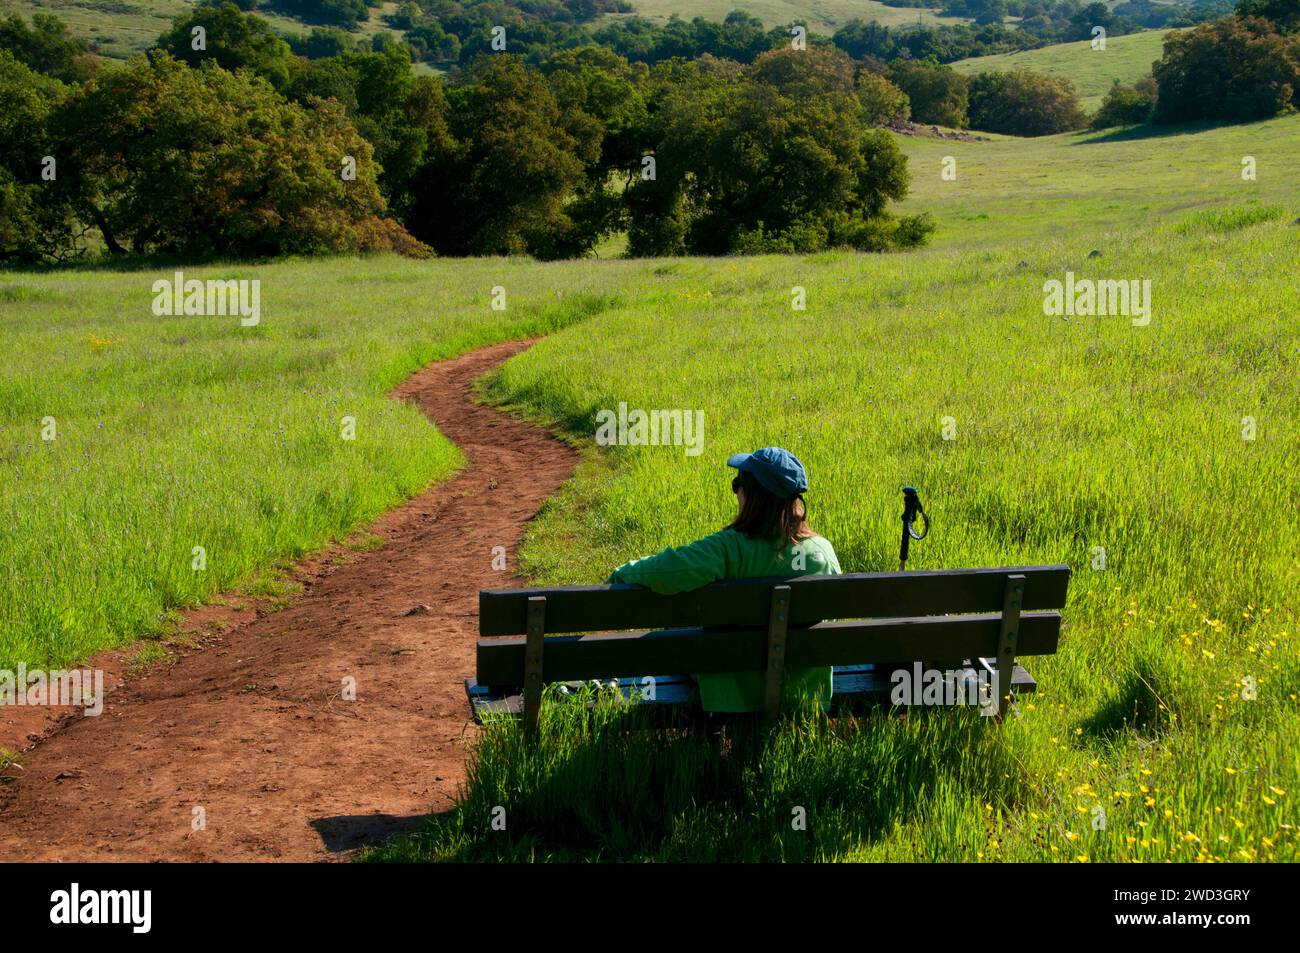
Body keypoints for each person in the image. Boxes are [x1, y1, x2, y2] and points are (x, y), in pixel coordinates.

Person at [605, 447, 841, 713]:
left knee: (676, 636)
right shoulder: (823, 552)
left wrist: (620, 573)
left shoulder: (727, 549)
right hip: (804, 692)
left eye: (737, 484)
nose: (736, 491)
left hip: (732, 688)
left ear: (752, 495)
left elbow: (664, 572)